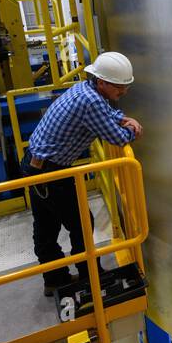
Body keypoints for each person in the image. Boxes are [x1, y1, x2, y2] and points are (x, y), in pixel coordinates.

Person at [23, 51, 143, 295]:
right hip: (52, 171)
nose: (124, 93)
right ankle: (91, 278)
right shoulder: (91, 102)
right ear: (102, 82)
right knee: (80, 224)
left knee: (46, 226)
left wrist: (121, 117)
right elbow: (117, 138)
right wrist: (133, 128)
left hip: (36, 164)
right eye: (120, 88)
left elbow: (106, 115)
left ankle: (55, 279)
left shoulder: (85, 90)